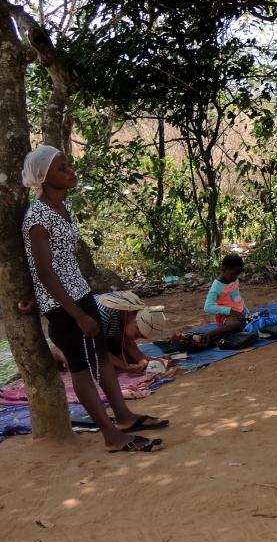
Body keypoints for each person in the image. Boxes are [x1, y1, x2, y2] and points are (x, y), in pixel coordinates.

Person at [20, 146, 168, 453]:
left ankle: (124, 418)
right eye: (62, 168)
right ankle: (111, 436)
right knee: (82, 368)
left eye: (68, 165)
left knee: (100, 358)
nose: (70, 172)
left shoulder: (62, 206)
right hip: (63, 305)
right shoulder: (37, 217)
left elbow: (60, 260)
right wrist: (78, 315)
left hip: (79, 292)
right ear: (43, 177)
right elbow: (45, 271)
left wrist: (83, 304)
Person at [170, 253, 251, 350]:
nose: (235, 277)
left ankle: (230, 328)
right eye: (233, 274)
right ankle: (205, 335)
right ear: (224, 269)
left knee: (247, 322)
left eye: (238, 274)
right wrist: (230, 311)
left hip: (236, 313)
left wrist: (245, 310)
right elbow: (207, 307)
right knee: (236, 325)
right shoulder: (217, 286)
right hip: (224, 316)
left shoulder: (234, 280)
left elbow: (236, 297)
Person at [94, 290, 166, 374]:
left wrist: (142, 359)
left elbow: (127, 340)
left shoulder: (131, 313)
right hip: (85, 338)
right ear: (135, 323)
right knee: (103, 367)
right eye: (137, 335)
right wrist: (125, 367)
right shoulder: (103, 315)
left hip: (103, 335)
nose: (135, 339)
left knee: (128, 358)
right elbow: (97, 349)